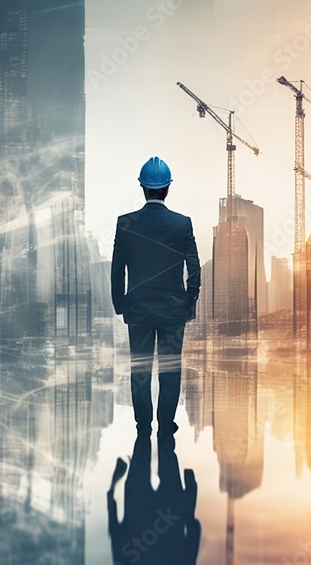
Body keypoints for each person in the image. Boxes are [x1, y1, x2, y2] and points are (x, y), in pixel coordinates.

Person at [111, 156, 201, 436]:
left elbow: (117, 269)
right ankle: (165, 426)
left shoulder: (125, 223)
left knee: (140, 369)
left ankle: (142, 426)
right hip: (173, 310)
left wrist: (120, 304)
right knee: (170, 370)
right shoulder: (182, 224)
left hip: (138, 309)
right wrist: (190, 301)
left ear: (142, 187)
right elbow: (194, 268)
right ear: (167, 188)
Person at [107, 434, 200, 564]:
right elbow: (115, 533)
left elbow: (194, 530)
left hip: (168, 512)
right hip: (141, 508)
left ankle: (161, 423)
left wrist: (190, 496)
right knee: (143, 440)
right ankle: (147, 421)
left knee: (164, 445)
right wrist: (112, 488)